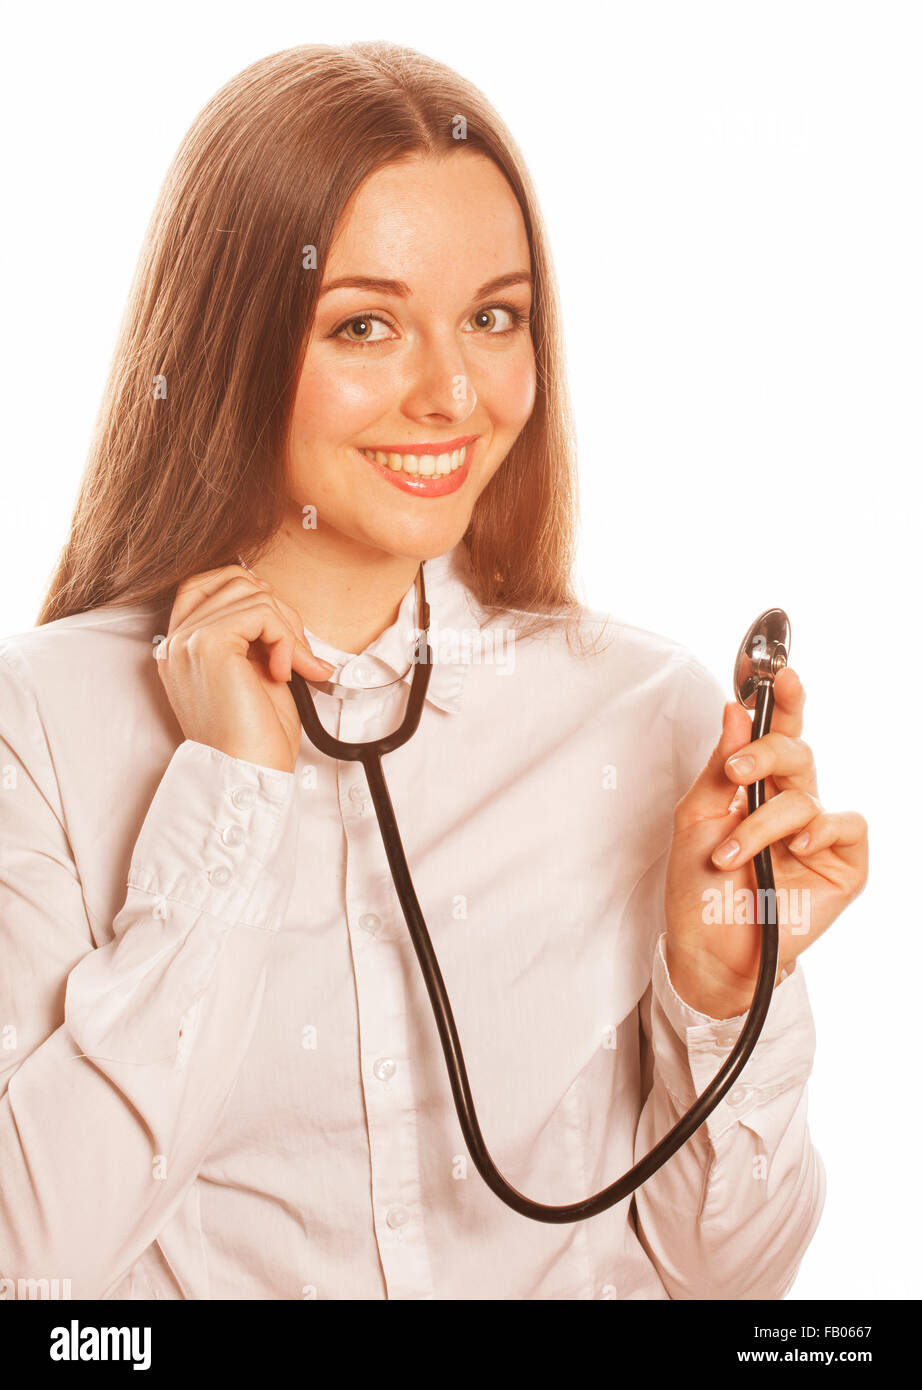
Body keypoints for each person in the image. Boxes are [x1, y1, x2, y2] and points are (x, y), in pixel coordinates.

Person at [0, 40, 867, 1302]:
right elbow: (28, 1259)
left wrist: (716, 992)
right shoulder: (42, 725)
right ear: (228, 342)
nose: (452, 391)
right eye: (366, 325)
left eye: (492, 317)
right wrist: (231, 800)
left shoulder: (644, 715)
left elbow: (726, 1284)